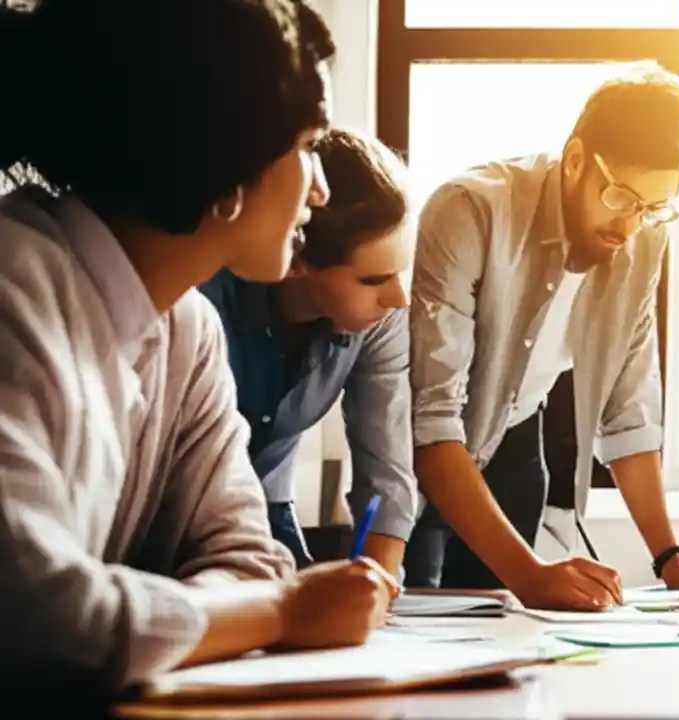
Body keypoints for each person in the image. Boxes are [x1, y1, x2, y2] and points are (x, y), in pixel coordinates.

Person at [0, 0, 394, 697]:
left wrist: (242, 607)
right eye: (307, 147)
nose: (321, 188)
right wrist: (281, 611)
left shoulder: (187, 329)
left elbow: (247, 556)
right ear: (227, 163)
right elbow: (40, 615)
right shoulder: (15, 286)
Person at [407, 62, 679, 610]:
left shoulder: (643, 239)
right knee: (419, 631)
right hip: (426, 461)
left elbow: (628, 413)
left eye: (651, 207)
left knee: (499, 635)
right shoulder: (469, 210)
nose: (629, 225)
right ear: (576, 160)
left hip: (516, 446)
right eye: (620, 198)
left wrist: (670, 563)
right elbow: (433, 418)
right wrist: (531, 573)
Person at [201, 127, 417, 574]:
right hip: (180, 515)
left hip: (268, 506)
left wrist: (379, 583)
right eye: (374, 279)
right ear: (298, 258)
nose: (400, 298)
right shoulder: (205, 303)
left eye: (401, 272)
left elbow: (387, 470)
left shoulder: (381, 316)